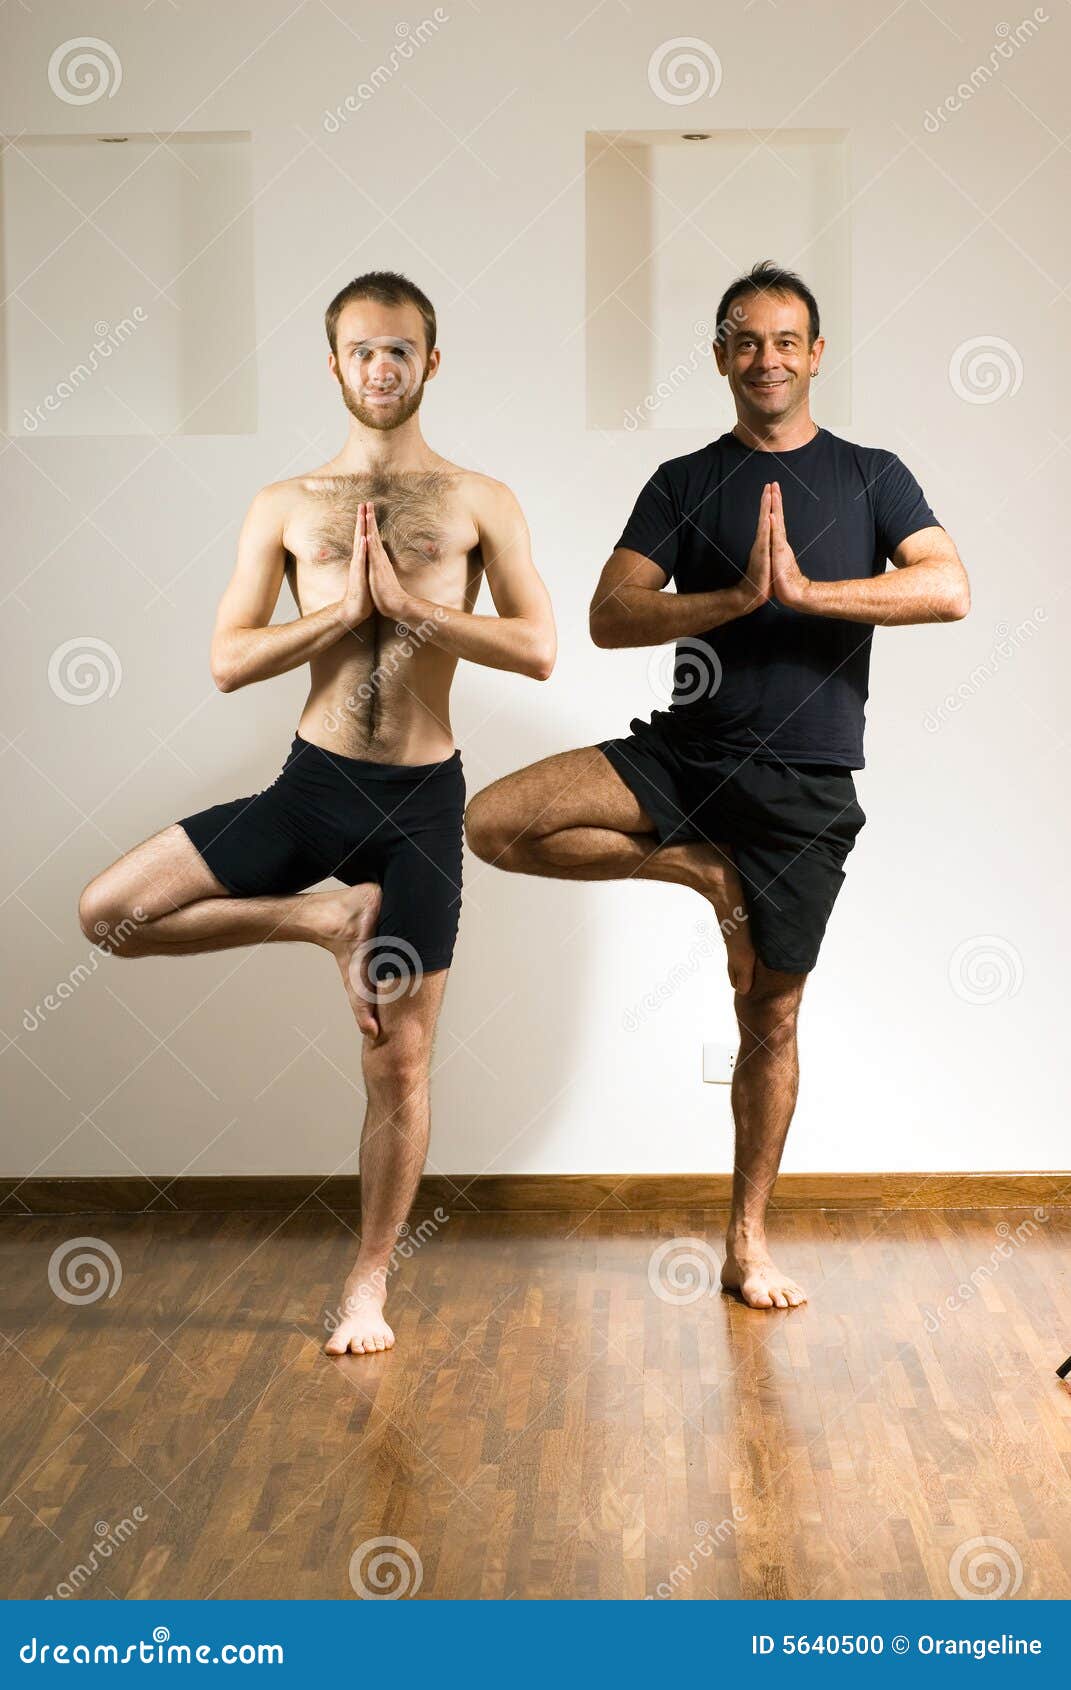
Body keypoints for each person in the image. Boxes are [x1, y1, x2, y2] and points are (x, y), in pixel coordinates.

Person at [465, 260, 969, 1310]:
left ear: (816, 354)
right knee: (494, 820)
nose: (767, 358)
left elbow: (949, 584)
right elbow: (608, 614)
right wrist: (732, 598)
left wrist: (808, 593)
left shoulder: (873, 474)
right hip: (687, 757)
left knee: (770, 1021)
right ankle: (705, 876)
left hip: (806, 784)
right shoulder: (684, 481)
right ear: (719, 357)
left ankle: (746, 1243)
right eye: (745, 341)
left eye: (786, 340)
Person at [77, 271, 556, 1355]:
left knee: (397, 1058)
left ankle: (368, 1285)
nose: (380, 368)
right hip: (312, 785)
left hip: (420, 804)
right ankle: (325, 920)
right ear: (332, 364)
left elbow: (537, 647)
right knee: (109, 913)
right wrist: (338, 614)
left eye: (400, 350)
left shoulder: (483, 500)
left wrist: (415, 609)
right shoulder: (284, 506)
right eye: (360, 350)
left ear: (431, 362)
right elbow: (226, 660)